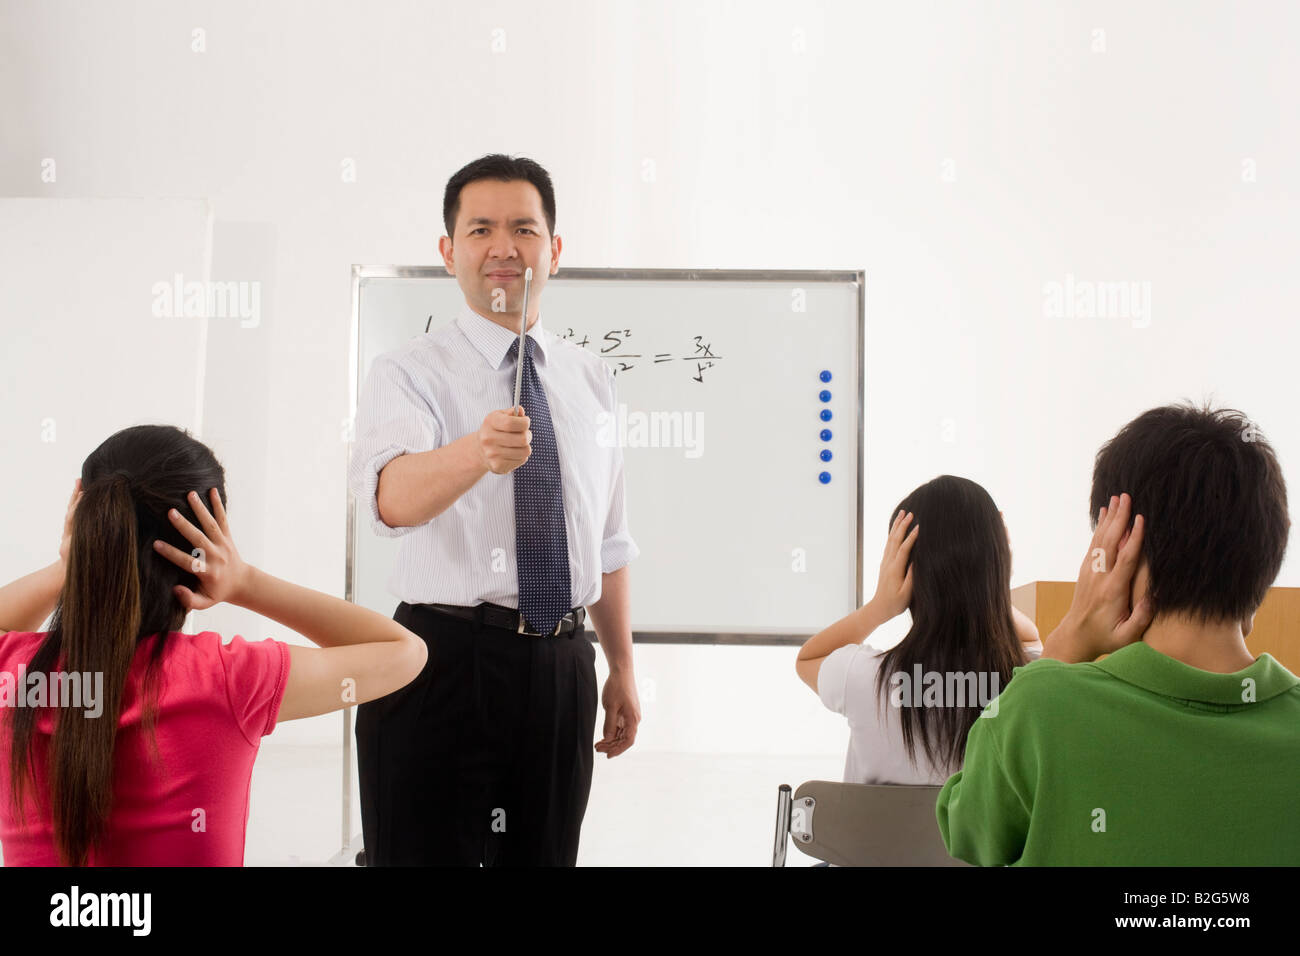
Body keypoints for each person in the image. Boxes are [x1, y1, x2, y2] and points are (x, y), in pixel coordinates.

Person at [348, 153, 641, 866]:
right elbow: (390, 498)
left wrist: (623, 667)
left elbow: (607, 541)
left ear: (555, 251)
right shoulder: (408, 370)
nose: (504, 248)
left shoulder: (589, 377)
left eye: (524, 229)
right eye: (481, 229)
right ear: (449, 252)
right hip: (437, 661)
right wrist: (475, 452)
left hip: (561, 666)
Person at [0, 424, 426, 866]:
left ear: (82, 527)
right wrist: (245, 583)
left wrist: (73, 564)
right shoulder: (226, 679)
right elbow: (406, 652)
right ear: (204, 553)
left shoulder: (18, 679)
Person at [937, 403, 1300, 865]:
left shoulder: (1040, 707)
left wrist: (1064, 644)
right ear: (1269, 554)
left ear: (1118, 550)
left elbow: (967, 832)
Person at [796, 476, 1042, 785]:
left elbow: (808, 658)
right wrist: (988, 576)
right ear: (1000, 565)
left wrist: (880, 606)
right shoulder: (1027, 684)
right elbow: (1030, 638)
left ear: (903, 574)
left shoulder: (862, 679)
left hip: (881, 835)